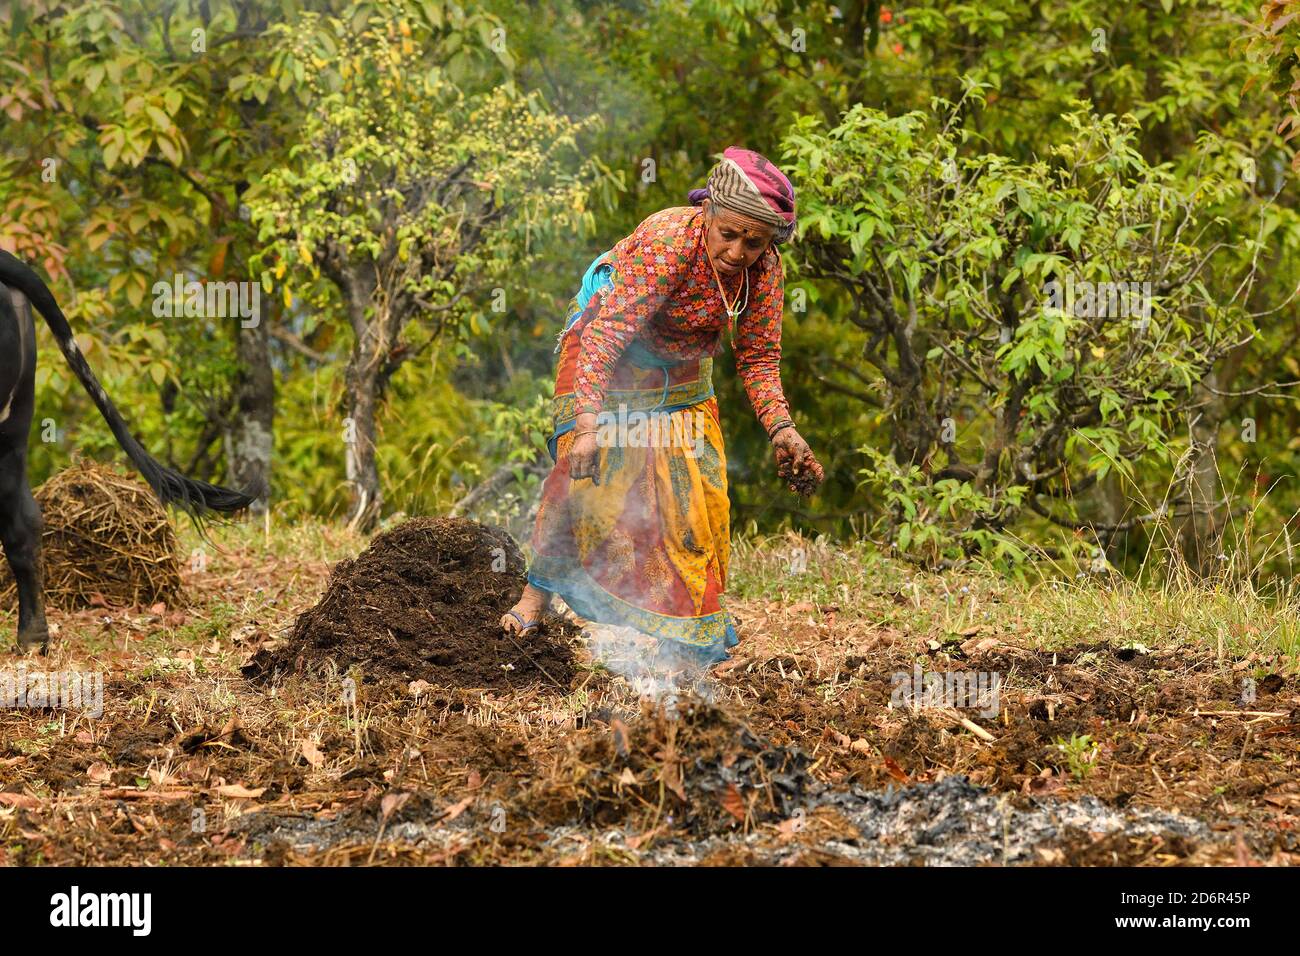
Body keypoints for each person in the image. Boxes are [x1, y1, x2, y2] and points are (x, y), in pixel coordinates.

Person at [500, 146, 824, 664]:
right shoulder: (670, 241)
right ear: (709, 213)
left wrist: (783, 430)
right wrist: (587, 427)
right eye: (730, 234)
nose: (740, 251)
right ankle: (533, 600)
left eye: (754, 242)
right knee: (588, 479)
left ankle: (692, 625)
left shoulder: (765, 270)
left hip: (684, 364)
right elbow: (607, 336)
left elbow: (759, 357)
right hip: (606, 348)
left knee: (698, 493)